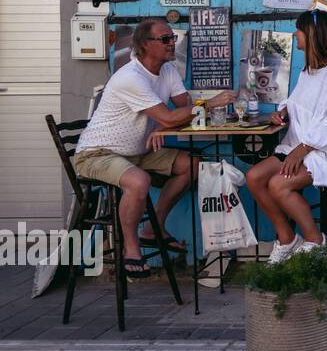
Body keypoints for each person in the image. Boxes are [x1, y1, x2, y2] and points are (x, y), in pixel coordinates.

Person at [72, 18, 235, 278]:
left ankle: (153, 227)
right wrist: (208, 105)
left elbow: (183, 112)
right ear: (144, 45)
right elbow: (174, 116)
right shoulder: (131, 77)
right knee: (139, 182)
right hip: (98, 153)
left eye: (173, 38)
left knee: (193, 164)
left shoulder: (168, 71)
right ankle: (131, 249)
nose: (173, 43)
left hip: (139, 152)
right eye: (165, 39)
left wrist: (163, 127)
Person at [245, 9, 327, 263]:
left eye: (300, 30)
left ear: (313, 35)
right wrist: (284, 111)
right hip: (301, 146)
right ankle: (286, 239)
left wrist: (303, 148)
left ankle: (315, 240)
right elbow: (301, 104)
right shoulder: (309, 72)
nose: (295, 35)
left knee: (277, 184)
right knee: (253, 177)